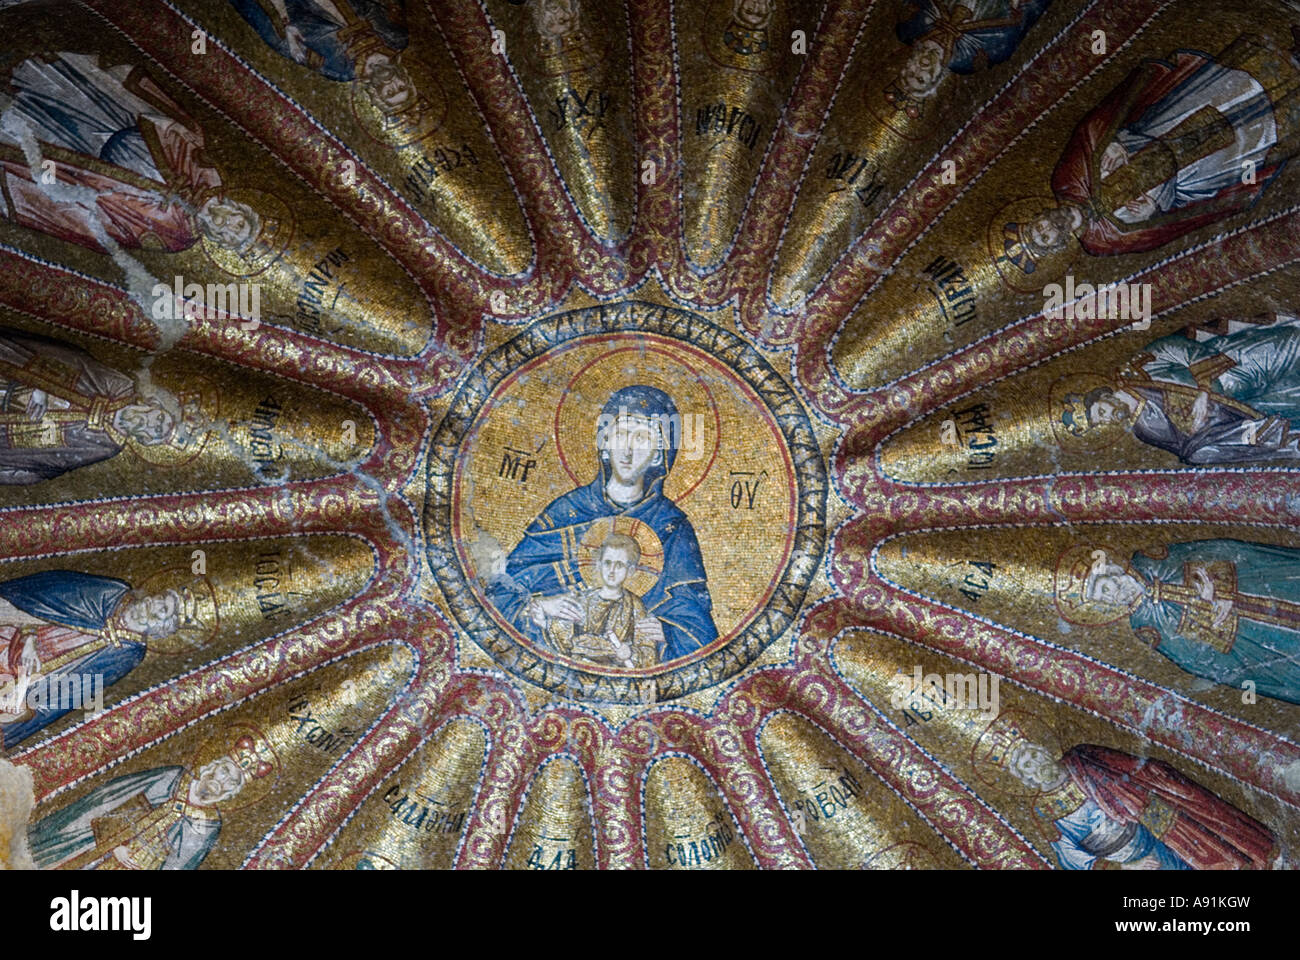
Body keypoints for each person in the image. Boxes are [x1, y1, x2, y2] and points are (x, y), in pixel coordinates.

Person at [1005, 32, 1300, 267]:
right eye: (1045, 238)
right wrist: (1154, 210)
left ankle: (1286, 55)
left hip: (1162, 131)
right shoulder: (1099, 242)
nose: (1048, 228)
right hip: (1188, 176)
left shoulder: (1064, 181)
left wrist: (1113, 144)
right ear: (1058, 244)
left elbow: (1090, 131)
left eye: (1038, 227)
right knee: (1249, 140)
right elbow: (1162, 231)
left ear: (1038, 216)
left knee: (1224, 92)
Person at [485, 385, 717, 663]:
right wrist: (542, 605)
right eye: (620, 435)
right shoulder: (566, 511)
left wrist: (667, 631)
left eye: (642, 438)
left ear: (658, 455)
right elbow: (499, 589)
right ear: (604, 445)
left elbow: (697, 623)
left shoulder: (672, 527)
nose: (627, 450)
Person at [1056, 539, 1300, 705]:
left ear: (1113, 571)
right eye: (1105, 599)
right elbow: (1192, 657)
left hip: (1254, 583)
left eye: (1107, 587)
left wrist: (1212, 585)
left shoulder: (1149, 560)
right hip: (1252, 637)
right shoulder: (1143, 625)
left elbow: (1210, 551)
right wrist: (1212, 627)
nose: (1114, 595)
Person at [0, 570, 210, 749]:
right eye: (160, 598)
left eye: (163, 609)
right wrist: (28, 639)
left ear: (163, 627)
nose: (153, 604)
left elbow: (73, 693)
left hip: (26, 682)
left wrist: (31, 709)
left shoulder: (129, 654)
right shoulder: (111, 593)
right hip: (13, 639)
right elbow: (43, 598)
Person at [1060, 313, 1300, 464]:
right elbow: (1189, 447)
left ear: (1104, 395)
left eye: (1101, 412)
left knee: (1294, 342)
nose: (1107, 419)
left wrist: (1203, 393)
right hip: (1244, 410)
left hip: (1237, 366)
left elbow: (1180, 349)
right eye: (1100, 423)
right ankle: (1278, 439)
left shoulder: (1137, 368)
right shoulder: (1145, 430)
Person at [1003, 738, 1275, 869]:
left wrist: (1157, 785)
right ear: (1027, 779)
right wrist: (1127, 866)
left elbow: (1136, 769)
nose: (1036, 765)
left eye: (1034, 756)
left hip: (1160, 825)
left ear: (1045, 752)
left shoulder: (1083, 759)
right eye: (1028, 766)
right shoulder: (1046, 813)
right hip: (1137, 862)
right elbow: (1073, 859)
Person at [28, 730, 275, 869]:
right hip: (93, 844)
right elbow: (112, 798)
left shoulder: (208, 825)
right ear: (214, 765)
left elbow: (179, 864)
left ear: (233, 793)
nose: (221, 782)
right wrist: (115, 845)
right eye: (224, 772)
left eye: (232, 783)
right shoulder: (172, 777)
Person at [0, 327, 185, 484]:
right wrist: (41, 387)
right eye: (159, 418)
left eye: (158, 432)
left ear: (146, 440)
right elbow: (76, 362)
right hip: (16, 383)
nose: (152, 424)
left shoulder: (108, 447)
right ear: (152, 404)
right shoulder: (122, 388)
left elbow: (53, 460)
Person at [545, 533, 660, 668]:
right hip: (579, 668)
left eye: (619, 565)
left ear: (630, 570)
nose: (611, 570)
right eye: (607, 563)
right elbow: (563, 639)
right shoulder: (582, 600)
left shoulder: (635, 606)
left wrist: (630, 653)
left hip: (617, 675)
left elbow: (648, 653)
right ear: (599, 565)